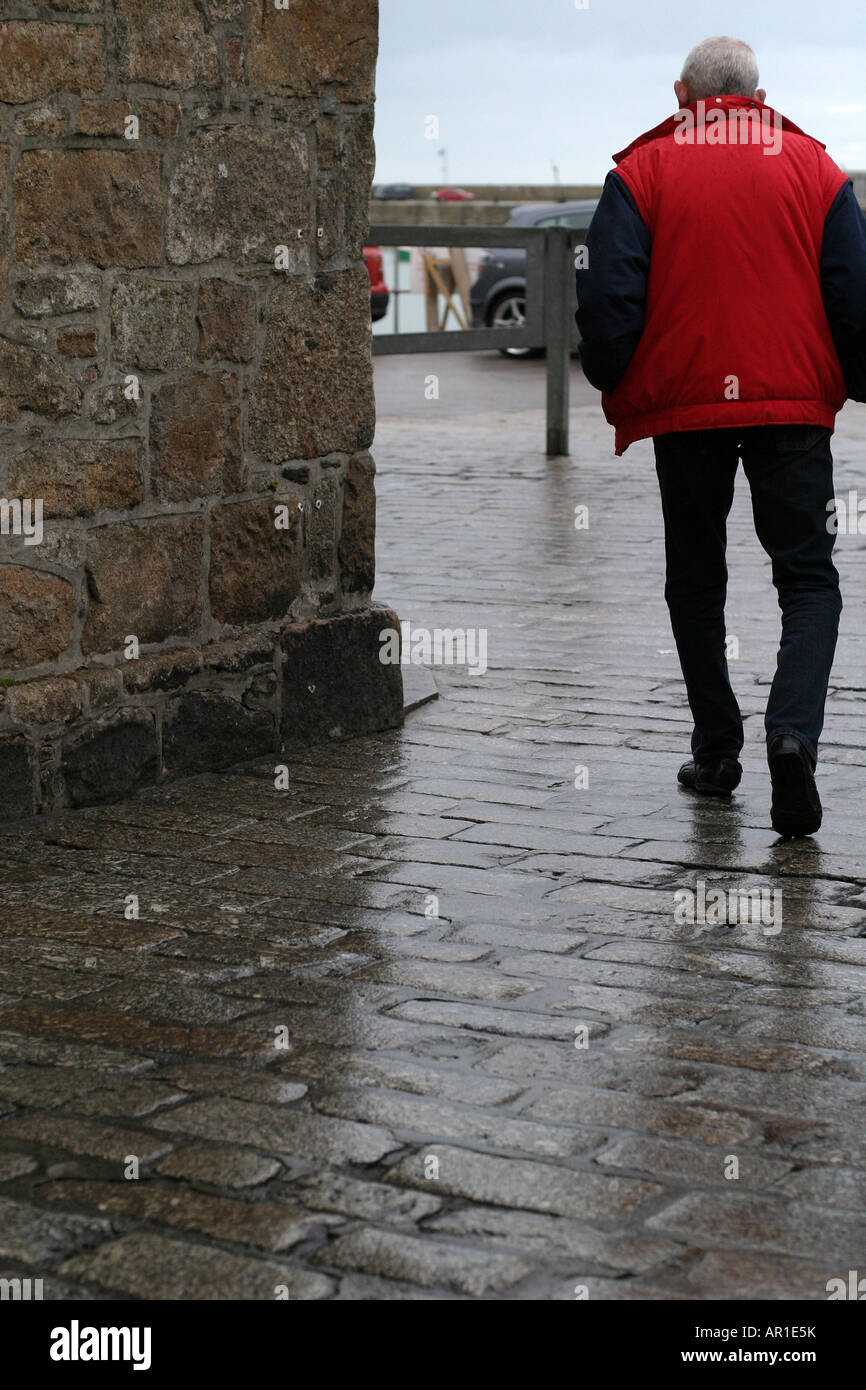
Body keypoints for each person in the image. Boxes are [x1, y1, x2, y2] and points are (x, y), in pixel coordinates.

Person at [576, 35, 866, 837]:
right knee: (808, 581)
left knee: (696, 582)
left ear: (681, 94)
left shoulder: (640, 174)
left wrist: (612, 374)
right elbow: (853, 291)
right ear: (758, 92)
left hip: (688, 408)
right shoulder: (816, 169)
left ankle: (716, 751)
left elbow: (607, 300)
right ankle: (792, 735)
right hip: (792, 409)